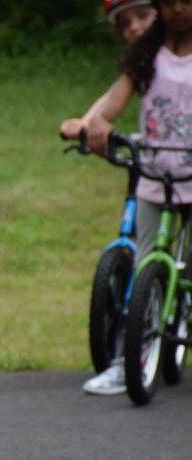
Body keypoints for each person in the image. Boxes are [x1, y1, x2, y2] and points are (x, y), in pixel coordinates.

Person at [67, 0, 189, 396]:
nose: (178, 11)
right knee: (145, 262)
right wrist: (96, 125)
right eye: (168, 4)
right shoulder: (146, 56)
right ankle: (130, 360)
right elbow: (114, 102)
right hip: (155, 175)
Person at [62, 0, 160, 148]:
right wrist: (87, 122)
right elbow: (113, 96)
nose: (134, 27)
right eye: (125, 24)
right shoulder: (141, 63)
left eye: (143, 15)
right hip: (157, 159)